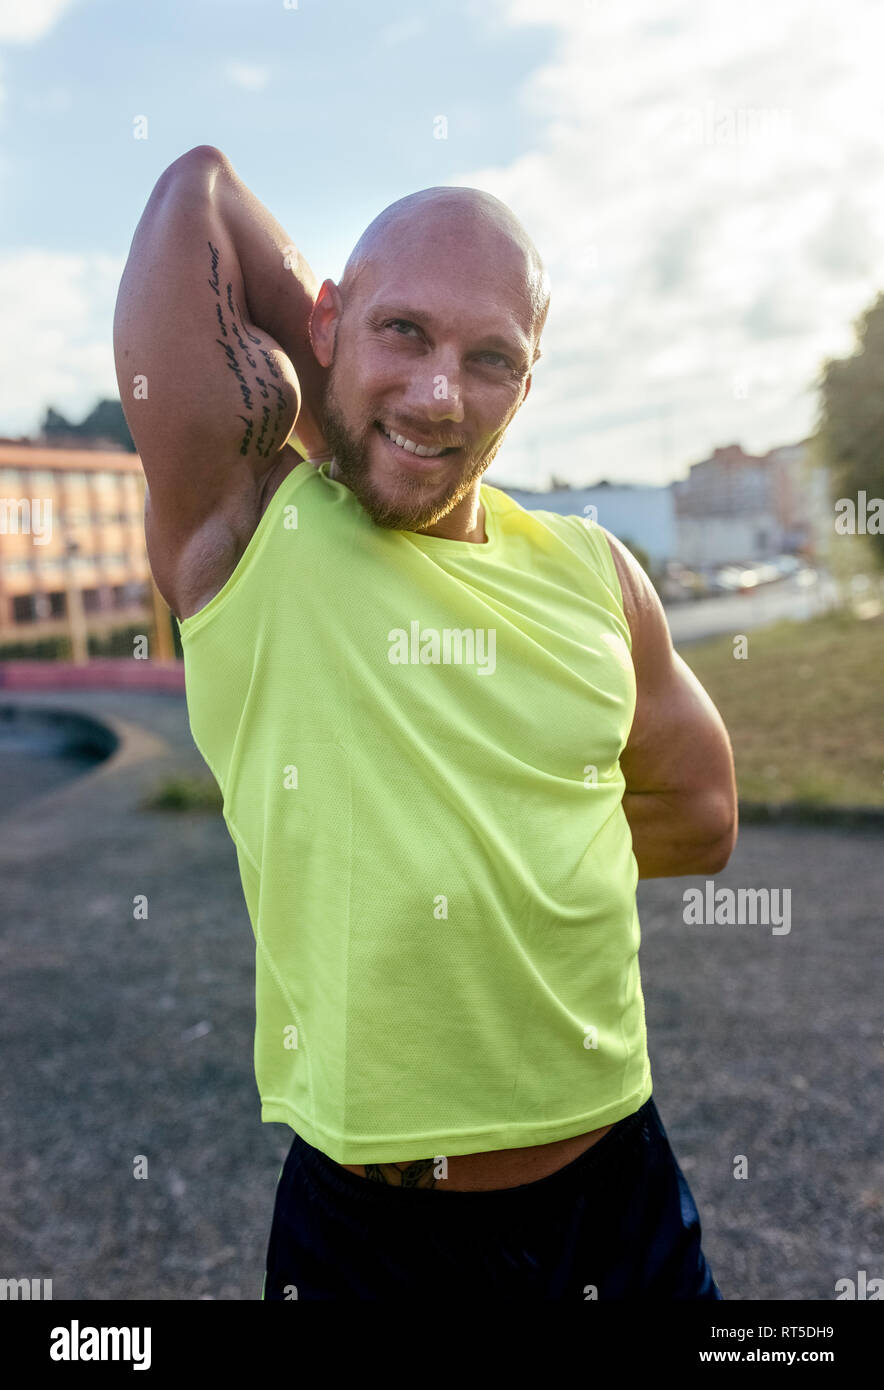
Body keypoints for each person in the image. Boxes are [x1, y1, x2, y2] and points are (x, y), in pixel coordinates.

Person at [114, 145, 737, 1300]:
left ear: (526, 385)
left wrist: (505, 848)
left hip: (620, 1194)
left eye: (488, 356)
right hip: (373, 1241)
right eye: (403, 331)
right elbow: (195, 188)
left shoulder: (597, 570)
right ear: (327, 324)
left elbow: (700, 817)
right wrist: (342, 395)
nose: (440, 393)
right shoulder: (257, 534)